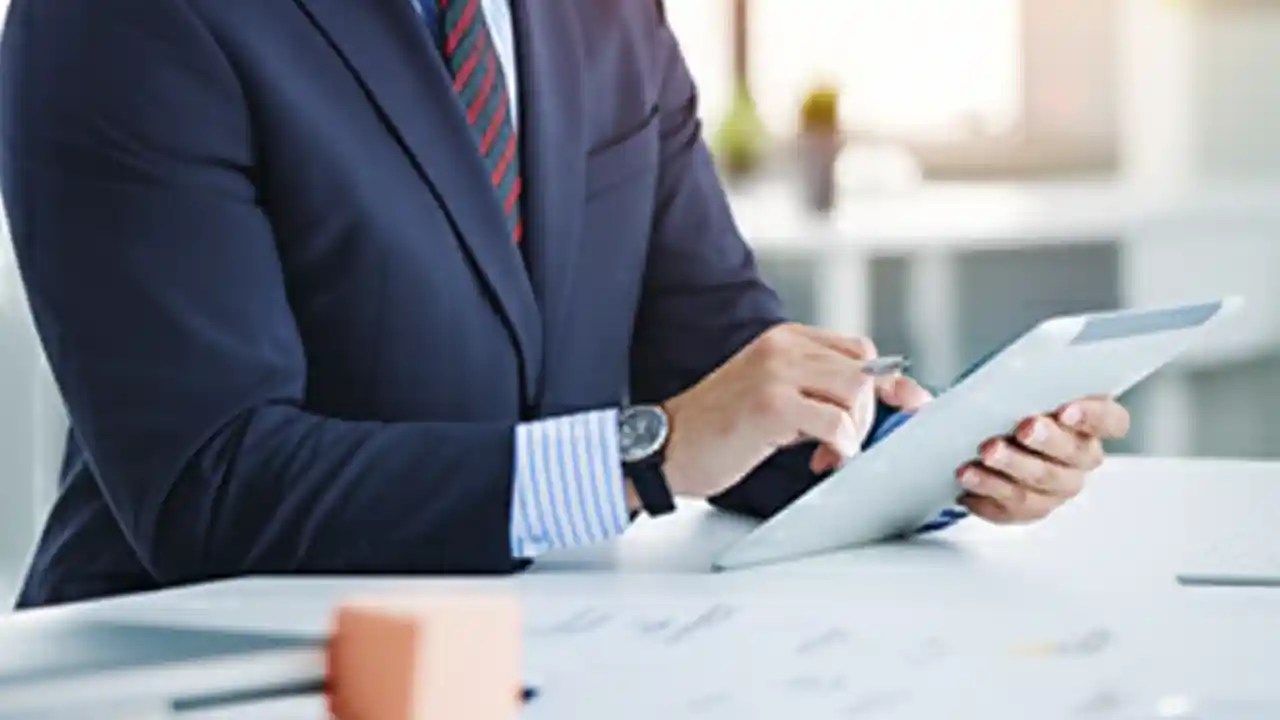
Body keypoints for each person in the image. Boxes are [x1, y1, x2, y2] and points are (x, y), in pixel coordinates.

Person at [0, 0, 1130, 609]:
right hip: (196, 667)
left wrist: (931, 456)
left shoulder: (605, 15)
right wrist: (640, 458)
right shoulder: (123, 16)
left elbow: (726, 369)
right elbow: (213, 484)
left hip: (530, 649)